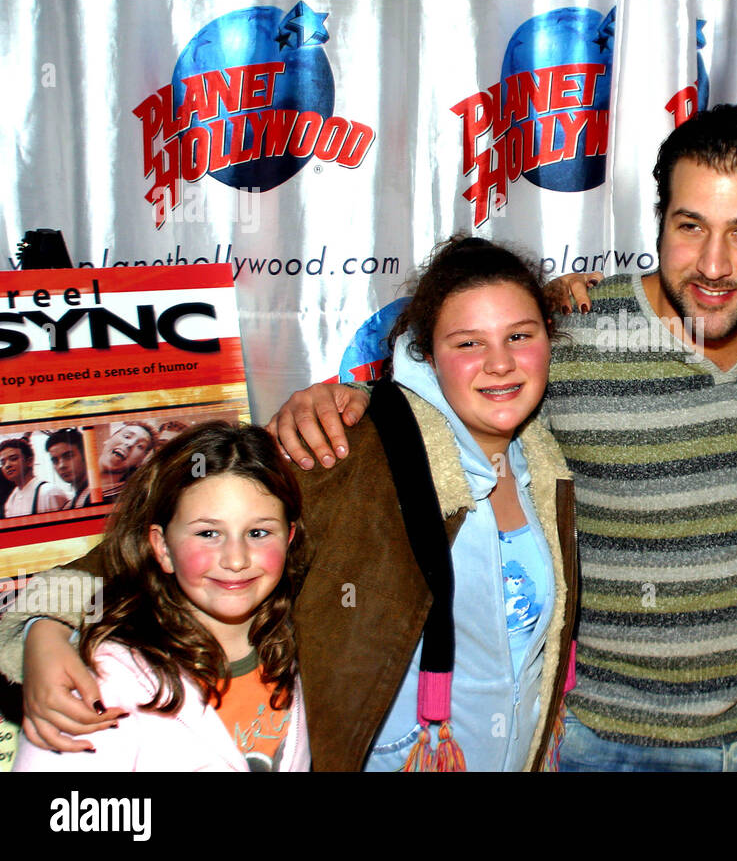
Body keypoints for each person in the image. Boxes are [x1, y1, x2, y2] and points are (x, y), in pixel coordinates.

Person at [270, 105, 737, 771]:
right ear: (660, 223)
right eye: (690, 226)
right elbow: (461, 384)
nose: (713, 265)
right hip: (613, 744)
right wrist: (348, 402)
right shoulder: (573, 335)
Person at [3, 237, 580, 772]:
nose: (500, 363)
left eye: (520, 336)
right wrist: (44, 629)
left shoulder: (549, 461)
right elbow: (139, 551)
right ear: (425, 354)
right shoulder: (349, 447)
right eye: (468, 343)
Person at [14, 421, 311, 771]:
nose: (236, 559)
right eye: (208, 533)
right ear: (163, 548)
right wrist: (42, 628)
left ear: (289, 538)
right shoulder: (109, 679)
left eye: (258, 532)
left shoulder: (303, 648)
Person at [1, 436, 70, 518]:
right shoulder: (12, 499)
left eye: (13, 459)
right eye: (3, 463)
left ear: (29, 461)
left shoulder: (49, 493)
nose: (7, 465)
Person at [98, 421, 155, 502]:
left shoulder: (130, 498)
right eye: (127, 436)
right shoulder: (80, 485)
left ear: (141, 461)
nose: (130, 444)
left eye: (140, 446)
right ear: (108, 439)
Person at [45, 429, 92, 508]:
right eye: (55, 461)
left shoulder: (99, 496)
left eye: (68, 456)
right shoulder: (70, 504)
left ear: (85, 455)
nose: (61, 465)